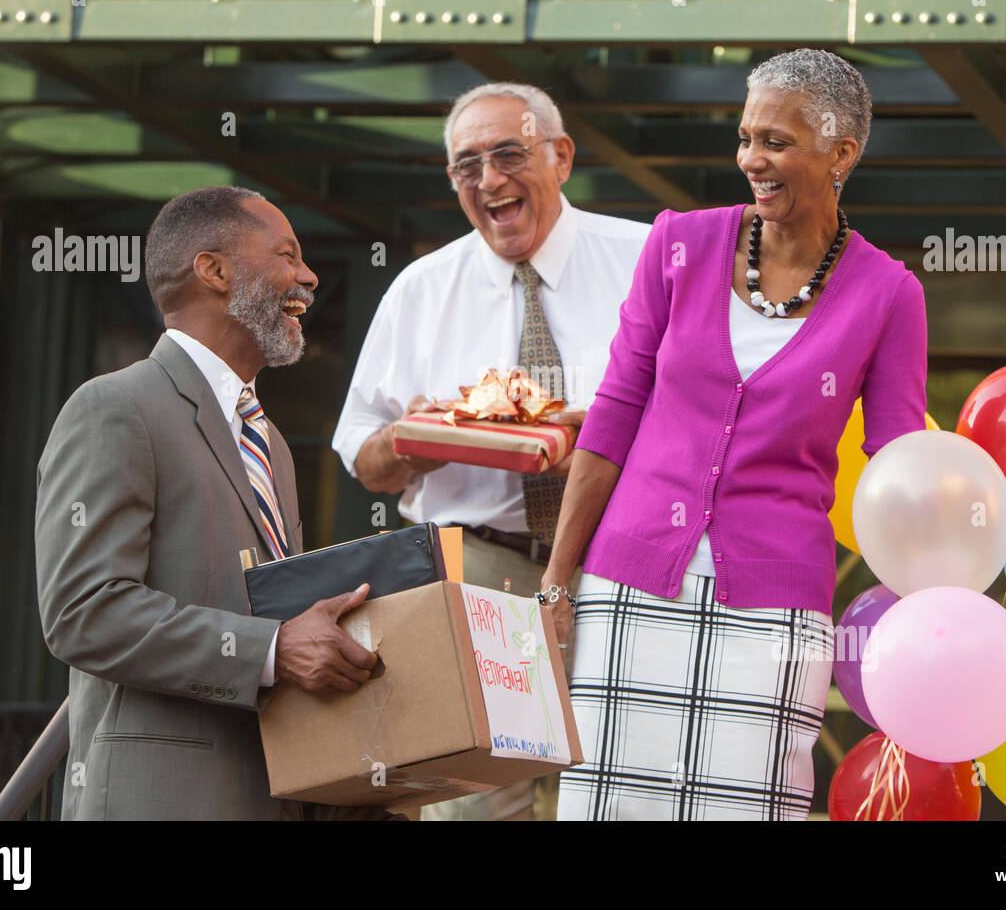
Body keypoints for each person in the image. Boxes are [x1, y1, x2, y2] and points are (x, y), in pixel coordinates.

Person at [539, 48, 929, 820]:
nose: (752, 159)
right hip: (630, 584)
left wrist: (922, 618)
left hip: (777, 607)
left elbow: (896, 472)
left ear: (841, 152)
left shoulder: (890, 294)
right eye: (746, 137)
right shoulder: (679, 244)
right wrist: (558, 583)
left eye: (776, 142)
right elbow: (613, 415)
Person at [332, 82, 650, 820]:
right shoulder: (421, 288)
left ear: (561, 155)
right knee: (475, 806)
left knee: (619, 798)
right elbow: (365, 457)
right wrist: (414, 442)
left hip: (618, 570)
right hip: (479, 573)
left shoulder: (646, 260)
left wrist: (601, 441)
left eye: (509, 154)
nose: (489, 180)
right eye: (466, 165)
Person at [36, 186, 392, 820]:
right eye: (287, 254)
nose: (308, 277)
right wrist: (271, 649)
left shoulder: (272, 443)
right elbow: (83, 611)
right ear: (215, 271)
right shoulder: (116, 407)